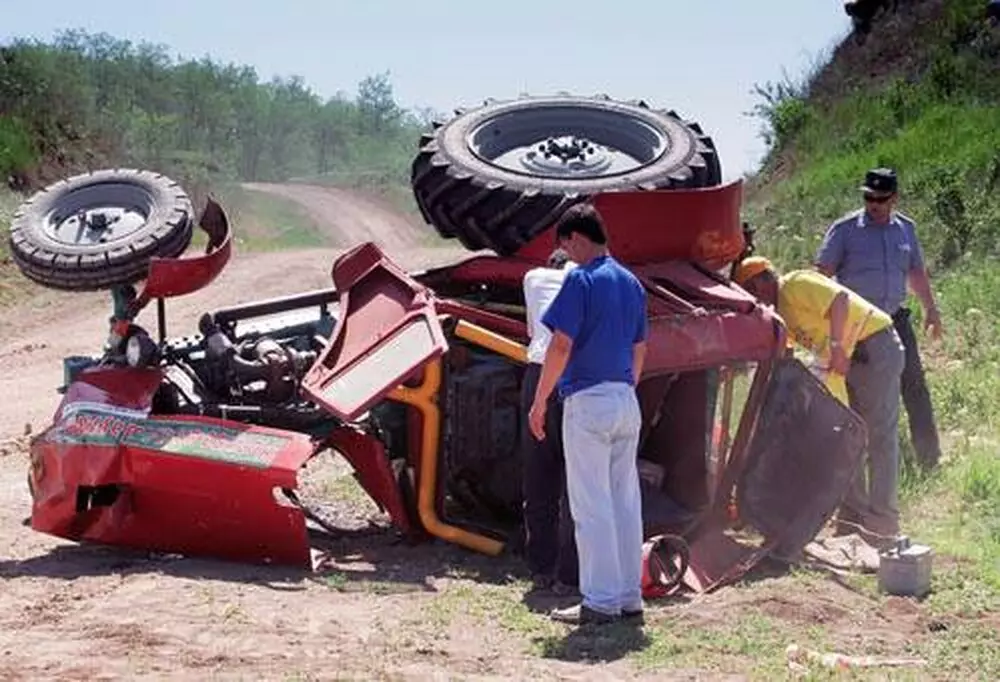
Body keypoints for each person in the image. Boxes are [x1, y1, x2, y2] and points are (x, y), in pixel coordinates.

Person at [528, 203, 648, 625]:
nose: (568, 255)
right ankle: (629, 596)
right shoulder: (632, 282)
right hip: (625, 398)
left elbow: (560, 345)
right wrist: (625, 388)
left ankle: (599, 600)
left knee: (590, 503)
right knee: (625, 501)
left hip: (588, 401)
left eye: (567, 245)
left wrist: (540, 400)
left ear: (577, 238)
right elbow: (640, 348)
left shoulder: (581, 278)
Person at [733, 258, 906, 548]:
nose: (754, 298)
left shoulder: (795, 284)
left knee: (879, 437)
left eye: (751, 289)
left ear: (763, 280)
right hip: (846, 363)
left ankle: (882, 523)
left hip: (874, 347)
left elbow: (839, 299)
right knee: (848, 437)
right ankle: (853, 518)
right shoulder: (780, 313)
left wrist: (837, 346)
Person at [814, 168, 943, 471]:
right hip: (856, 326)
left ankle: (929, 457)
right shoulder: (845, 229)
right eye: (868, 197)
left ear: (894, 198)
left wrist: (931, 308)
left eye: (880, 199)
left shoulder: (905, 229)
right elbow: (821, 276)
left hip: (895, 321)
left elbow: (916, 272)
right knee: (857, 393)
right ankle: (859, 461)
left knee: (913, 385)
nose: (873, 203)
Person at [520, 248, 579, 595]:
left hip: (539, 373)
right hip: (575, 378)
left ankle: (540, 566)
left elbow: (532, 328)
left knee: (539, 473)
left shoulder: (533, 278)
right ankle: (569, 574)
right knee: (576, 479)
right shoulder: (586, 281)